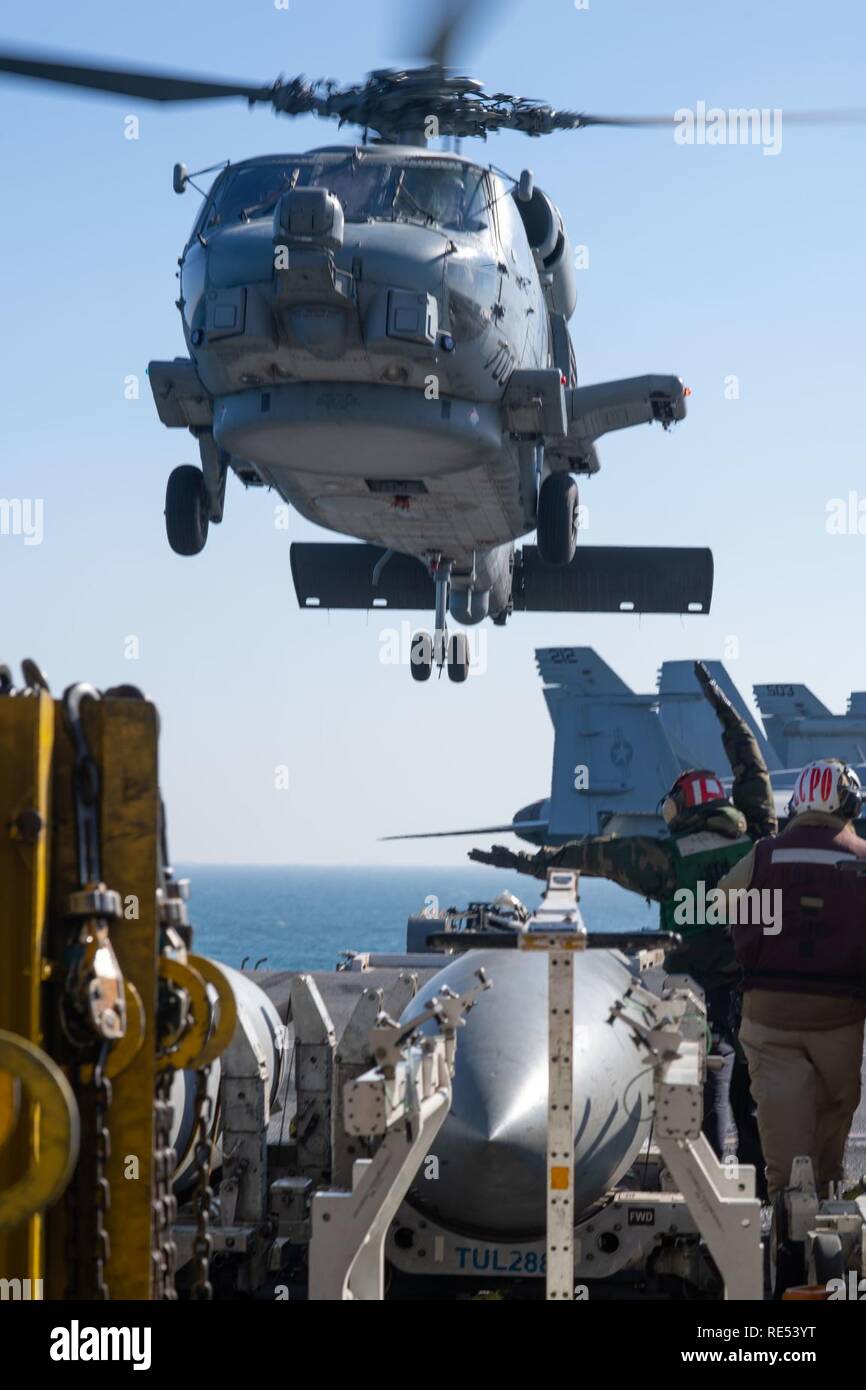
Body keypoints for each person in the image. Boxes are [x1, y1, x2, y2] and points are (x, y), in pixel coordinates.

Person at [470, 660, 776, 1174]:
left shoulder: (663, 857)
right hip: (766, 983)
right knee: (756, 1085)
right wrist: (723, 707)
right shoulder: (759, 831)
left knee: (711, 1076)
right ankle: (761, 1189)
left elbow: (589, 856)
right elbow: (752, 763)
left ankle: (707, 1178)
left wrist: (523, 862)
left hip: (710, 988)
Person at [718, 758, 866, 1199]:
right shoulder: (861, 859)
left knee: (783, 1141)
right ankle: (829, 1207)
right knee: (830, 1132)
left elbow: (720, 906)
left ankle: (788, 1222)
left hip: (769, 1022)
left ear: (799, 802)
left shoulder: (765, 853)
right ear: (850, 804)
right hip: (841, 1020)